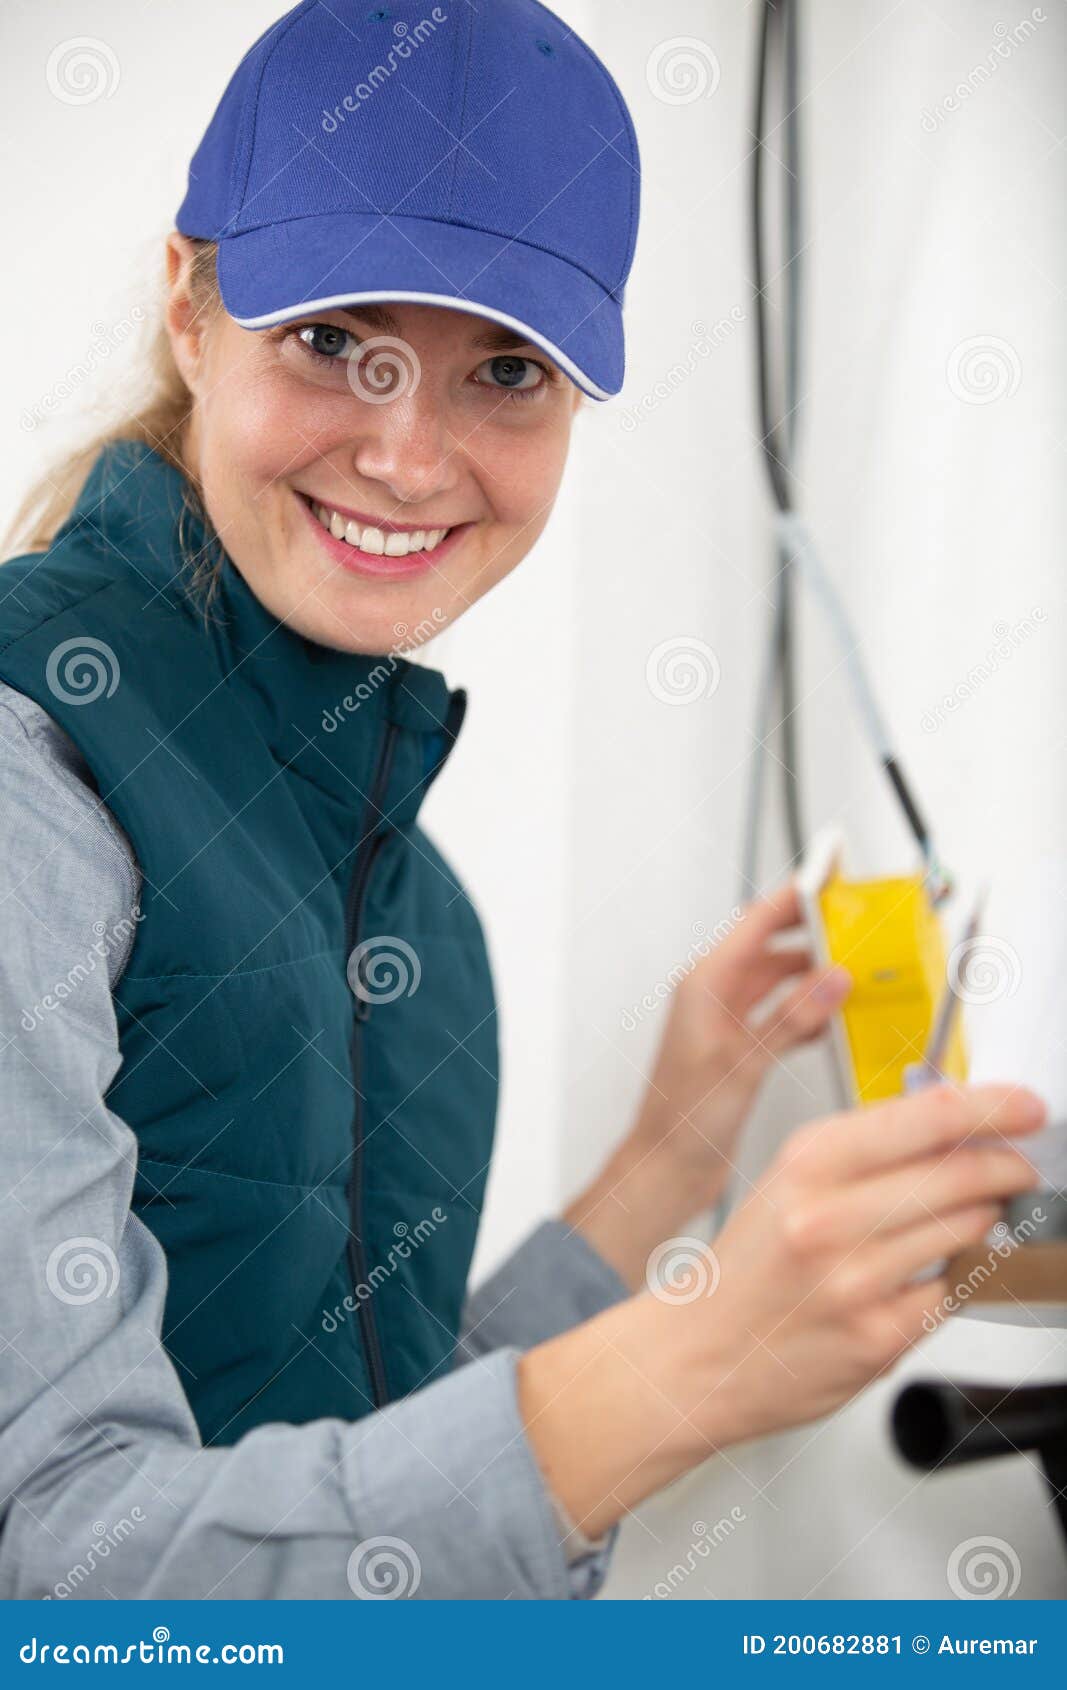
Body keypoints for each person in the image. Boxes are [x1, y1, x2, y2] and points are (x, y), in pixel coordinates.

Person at [0, 0, 1043, 1600]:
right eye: (334, 338)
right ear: (191, 307)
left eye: (506, 371)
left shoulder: (424, 915)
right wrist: (693, 1362)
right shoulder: (30, 770)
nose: (412, 459)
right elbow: (59, 1563)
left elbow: (363, 1479)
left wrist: (673, 1151)